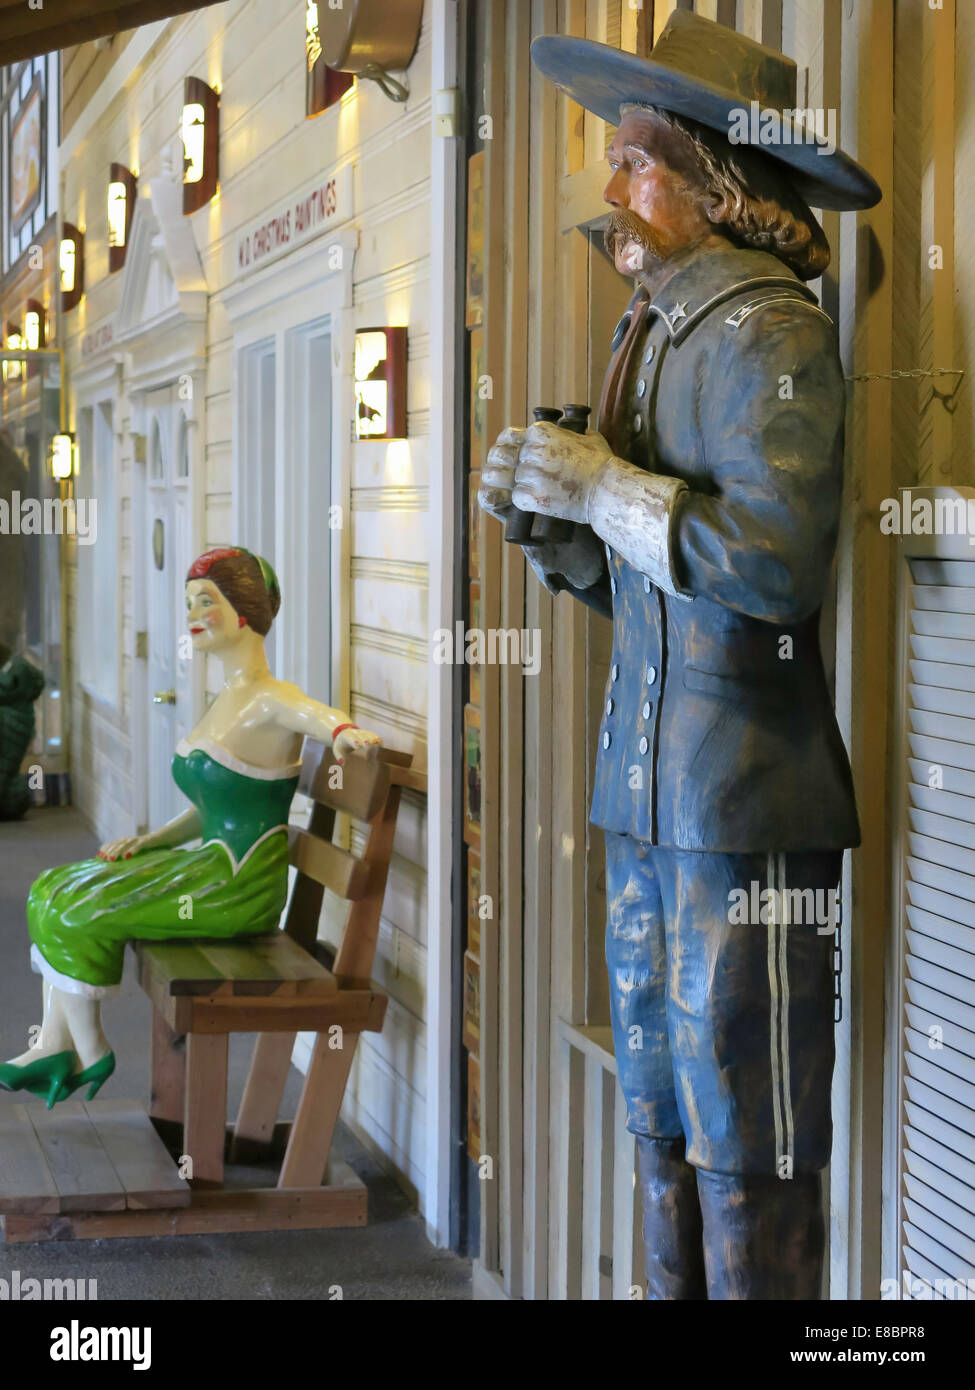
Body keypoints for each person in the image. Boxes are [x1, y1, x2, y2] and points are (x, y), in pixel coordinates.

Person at [480, 11, 879, 1299]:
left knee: (747, 1158)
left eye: (635, 160)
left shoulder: (771, 335)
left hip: (744, 803)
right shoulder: (651, 331)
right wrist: (558, 523)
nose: (613, 189)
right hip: (649, 798)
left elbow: (771, 569)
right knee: (661, 1136)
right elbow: (654, 588)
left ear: (720, 180)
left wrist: (605, 492)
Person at [0, 546, 381, 1109]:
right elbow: (211, 809)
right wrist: (151, 842)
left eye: (207, 601)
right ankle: (56, 1040)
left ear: (245, 613)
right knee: (49, 886)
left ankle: (90, 1046)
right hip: (209, 864)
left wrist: (345, 732)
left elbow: (313, 714)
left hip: (236, 884)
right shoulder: (227, 697)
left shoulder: (271, 699)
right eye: (189, 603)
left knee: (75, 908)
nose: (193, 614)